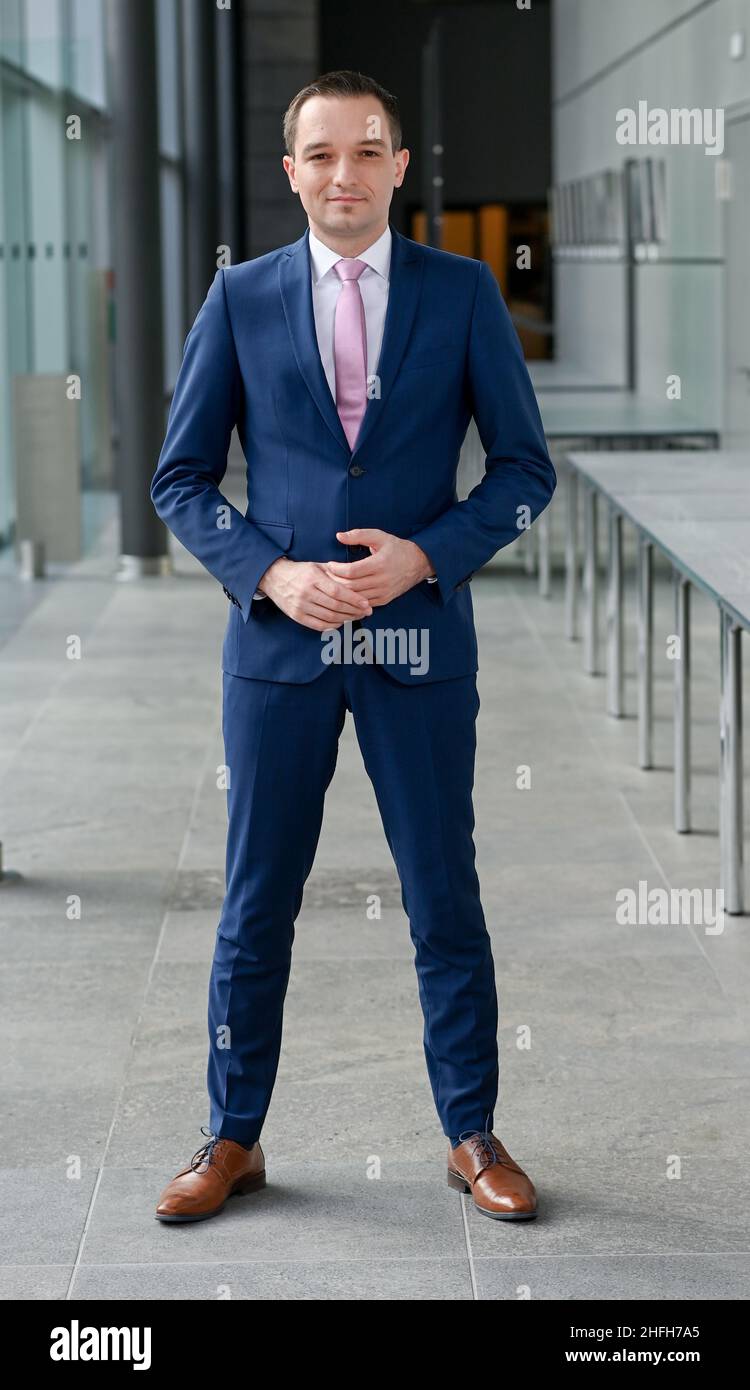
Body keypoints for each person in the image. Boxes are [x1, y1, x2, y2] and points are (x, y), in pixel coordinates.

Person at [150, 69, 556, 1225]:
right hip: (277, 654)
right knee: (254, 904)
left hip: (421, 646)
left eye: (365, 152)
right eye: (320, 155)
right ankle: (232, 1137)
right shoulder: (239, 298)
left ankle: (471, 1133)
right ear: (293, 173)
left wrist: (425, 555)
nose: (344, 174)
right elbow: (179, 479)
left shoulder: (465, 293)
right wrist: (270, 571)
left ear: (397, 167)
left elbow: (527, 473)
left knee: (443, 899)